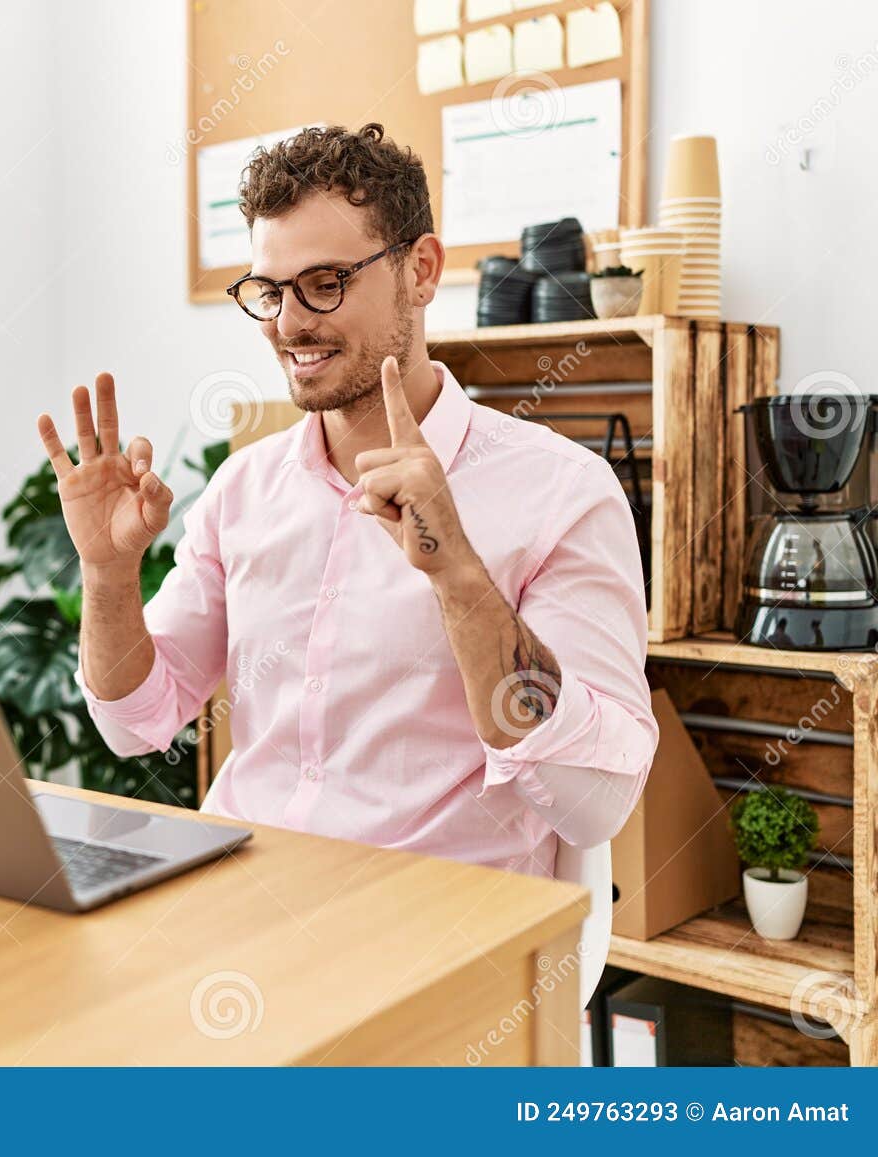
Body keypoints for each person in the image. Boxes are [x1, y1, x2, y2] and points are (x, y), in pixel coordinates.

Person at [34, 124, 656, 878]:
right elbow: (137, 721)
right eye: (268, 291)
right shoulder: (245, 488)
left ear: (421, 271)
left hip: (428, 928)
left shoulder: (562, 491)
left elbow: (593, 805)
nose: (289, 323)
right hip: (237, 898)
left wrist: (459, 576)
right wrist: (105, 573)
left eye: (326, 283)